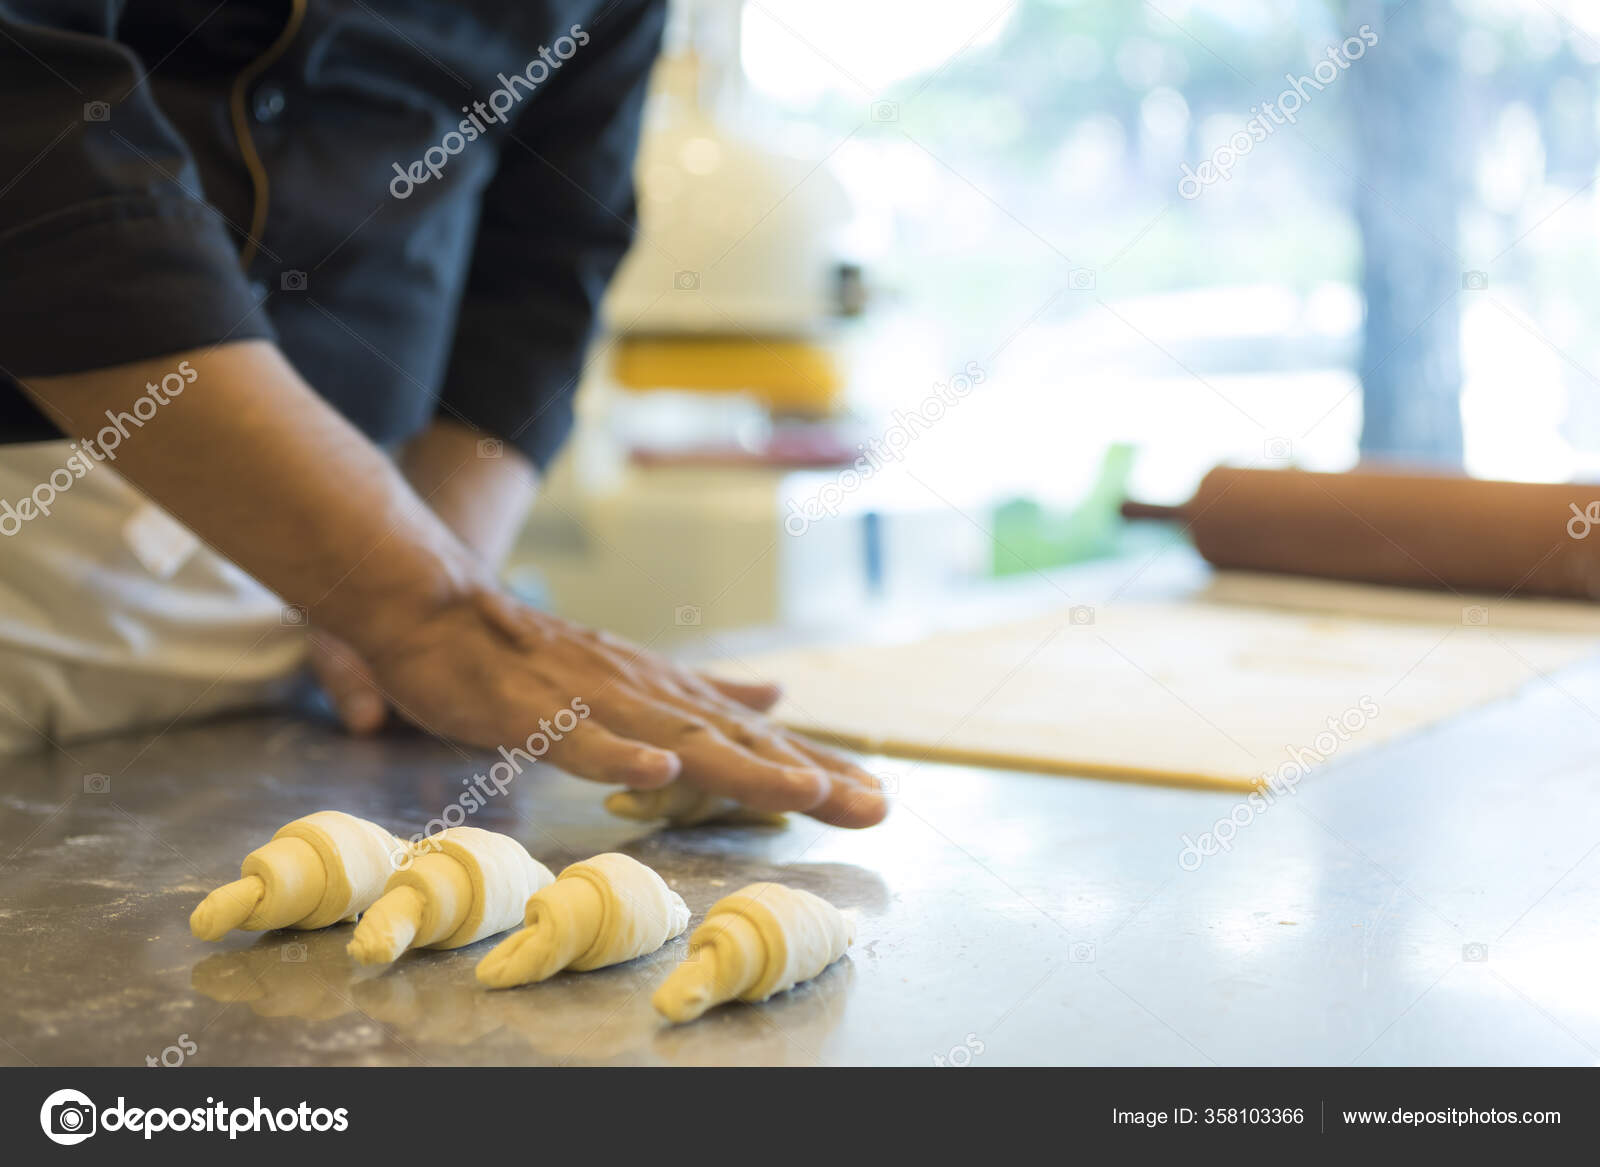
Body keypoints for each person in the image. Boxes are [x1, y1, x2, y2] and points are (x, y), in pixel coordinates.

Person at [0, 1, 886, 828]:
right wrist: (421, 604)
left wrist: (432, 574)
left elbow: (547, 251)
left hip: (341, 603)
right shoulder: (412, 600)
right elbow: (31, 110)